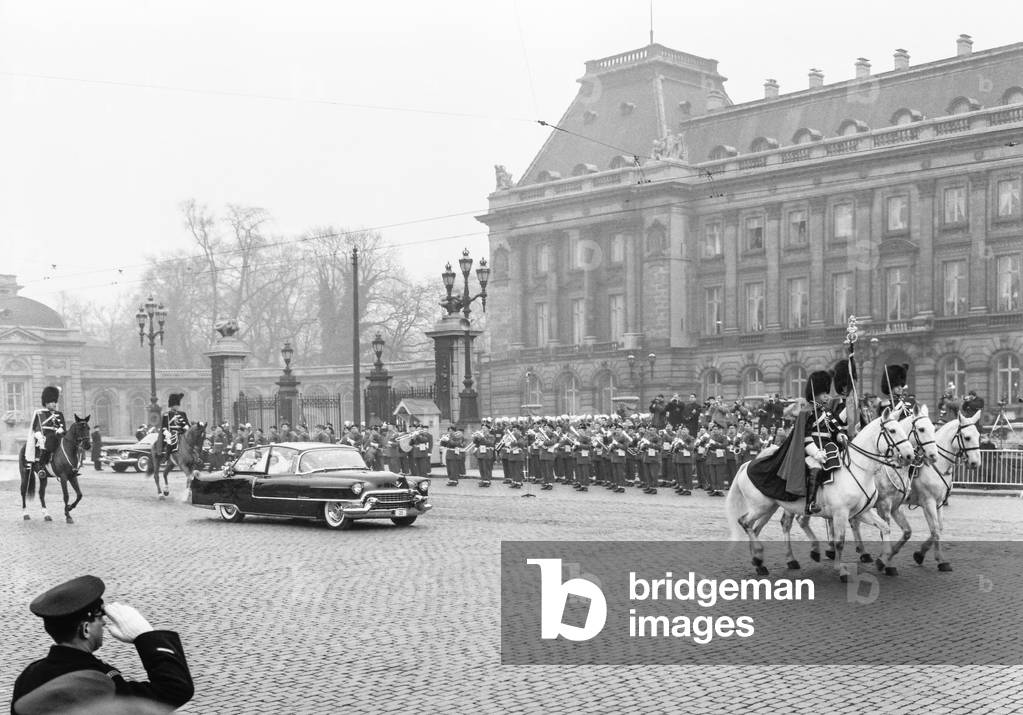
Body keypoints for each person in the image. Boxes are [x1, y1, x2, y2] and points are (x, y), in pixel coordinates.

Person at [11, 575, 193, 714]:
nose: (104, 623)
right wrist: (145, 636)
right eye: (100, 617)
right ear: (85, 629)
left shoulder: (28, 676)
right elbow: (174, 690)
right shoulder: (97, 681)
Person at [30, 386, 77, 479]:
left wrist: (61, 430)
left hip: (59, 435)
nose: (54, 404)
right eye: (52, 402)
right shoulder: (41, 414)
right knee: (50, 442)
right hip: (47, 436)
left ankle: (72, 466)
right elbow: (36, 427)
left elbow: (63, 426)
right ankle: (41, 467)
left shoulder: (59, 414)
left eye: (55, 402)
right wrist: (38, 434)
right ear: (46, 403)